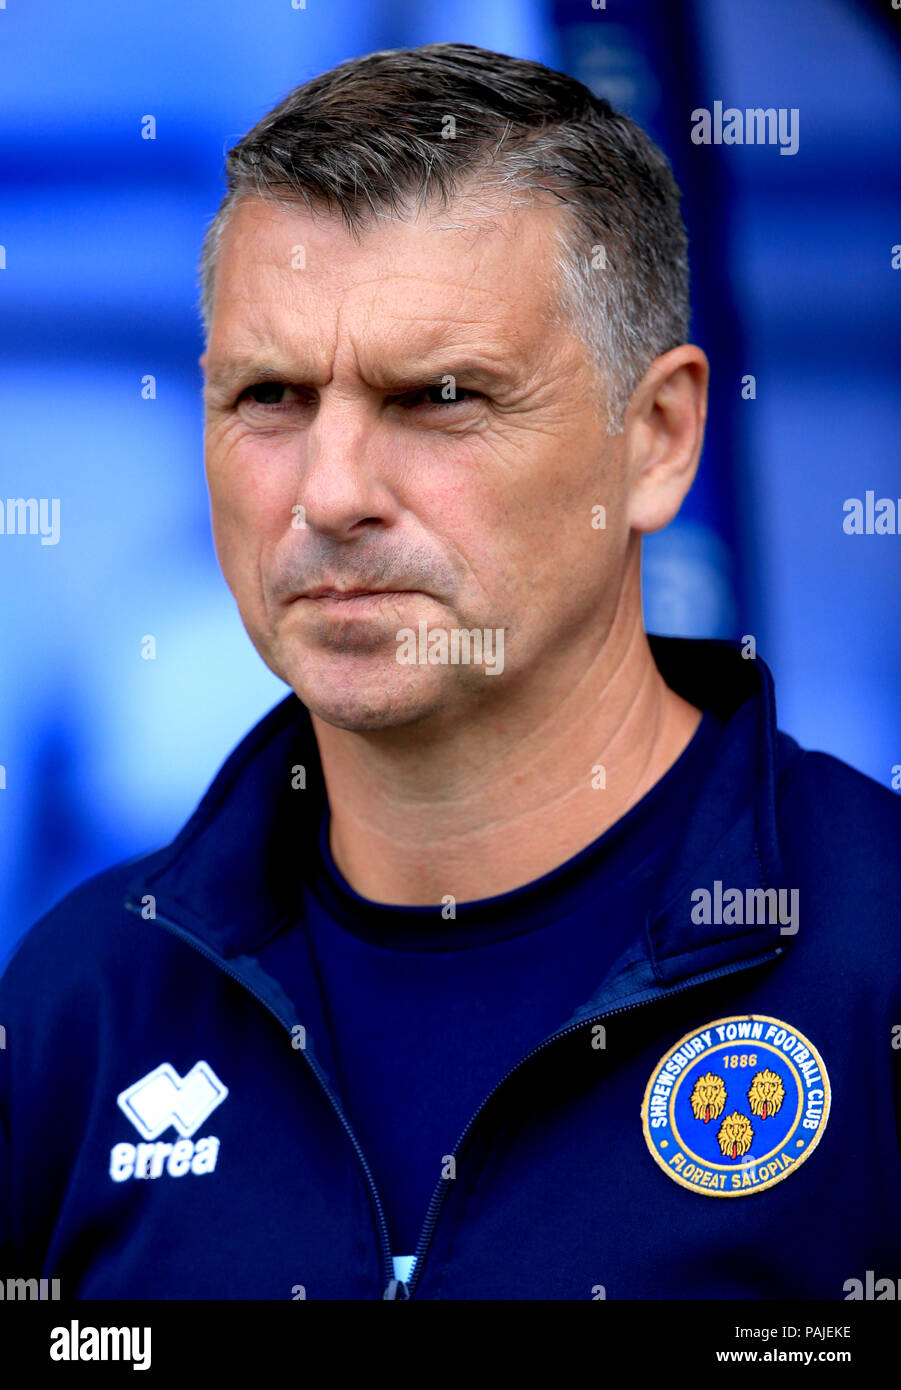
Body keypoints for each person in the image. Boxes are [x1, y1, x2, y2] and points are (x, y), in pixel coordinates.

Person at [1, 42, 899, 1302]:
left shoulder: (876, 959)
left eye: (437, 395)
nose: (330, 494)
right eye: (270, 394)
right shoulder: (80, 1003)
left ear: (657, 438)